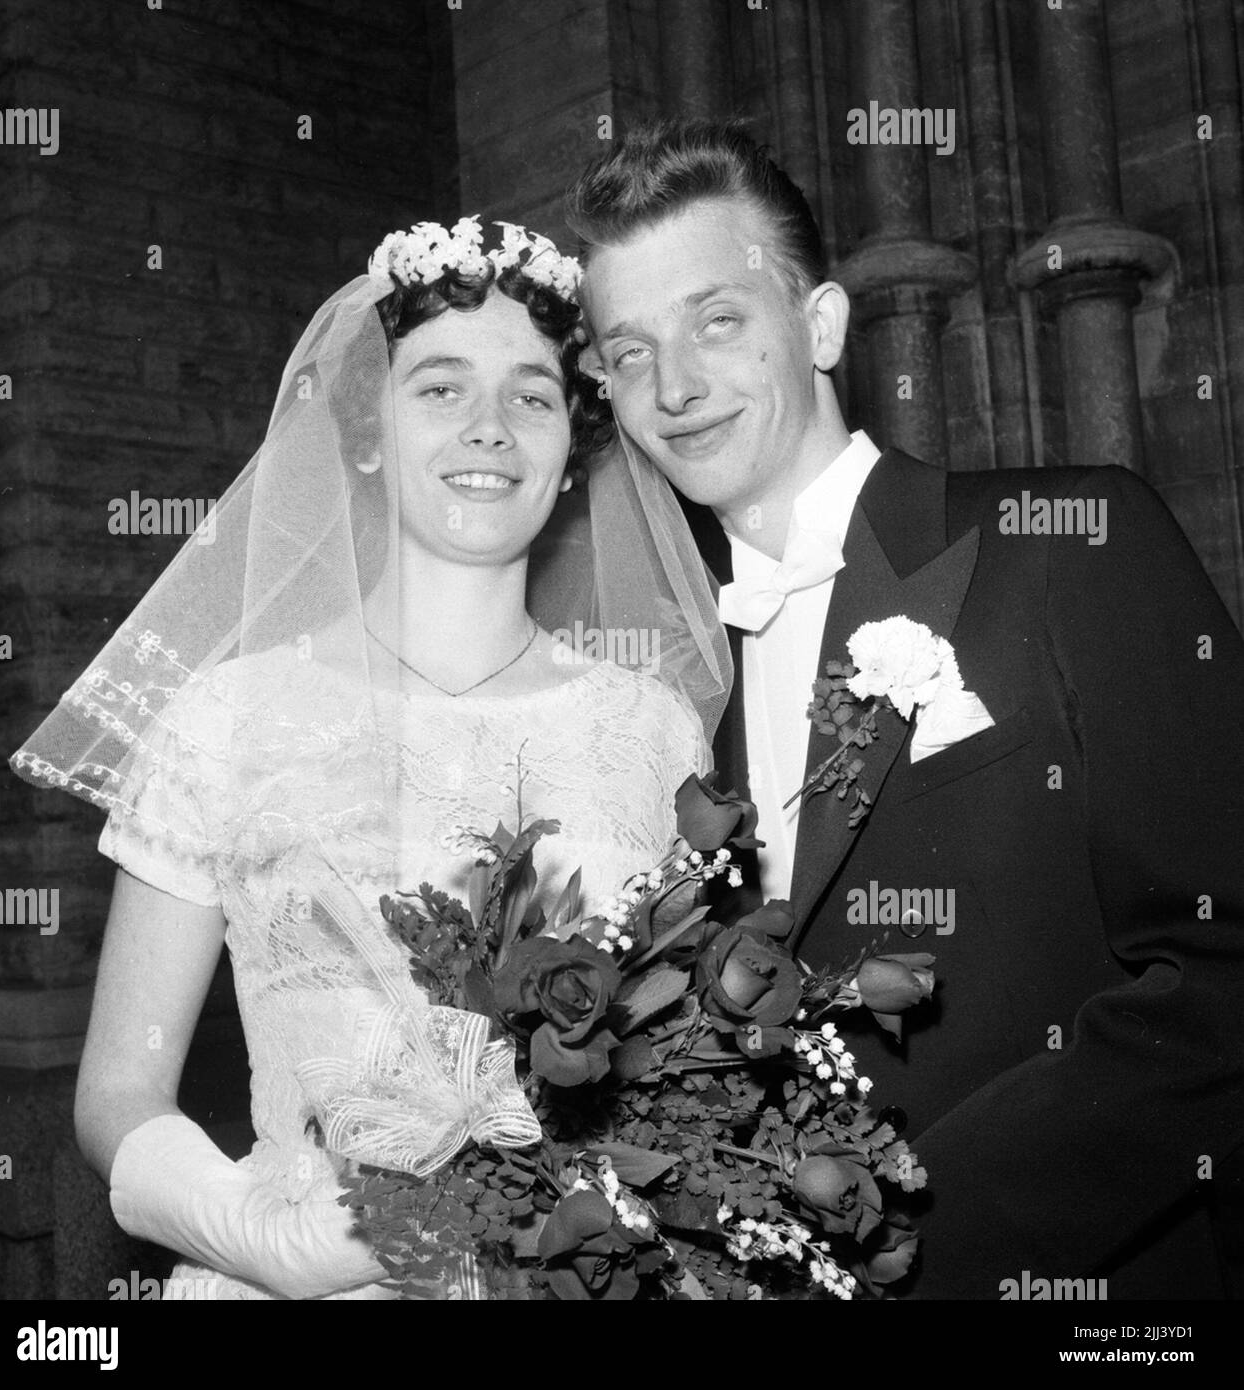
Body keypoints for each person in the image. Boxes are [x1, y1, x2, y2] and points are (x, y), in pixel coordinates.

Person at [564, 119, 1244, 1299]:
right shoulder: (664, 700)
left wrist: (885, 1249)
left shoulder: (1067, 546)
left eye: (716, 320)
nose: (672, 386)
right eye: (629, 353)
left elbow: (1223, 971)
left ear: (820, 325)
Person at [10, 215, 730, 1300]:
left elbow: (682, 1065)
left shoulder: (651, 728)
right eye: (439, 388)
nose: (488, 427)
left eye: (530, 395)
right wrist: (253, 1237)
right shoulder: (231, 716)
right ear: (364, 430)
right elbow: (117, 1090)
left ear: (572, 447)